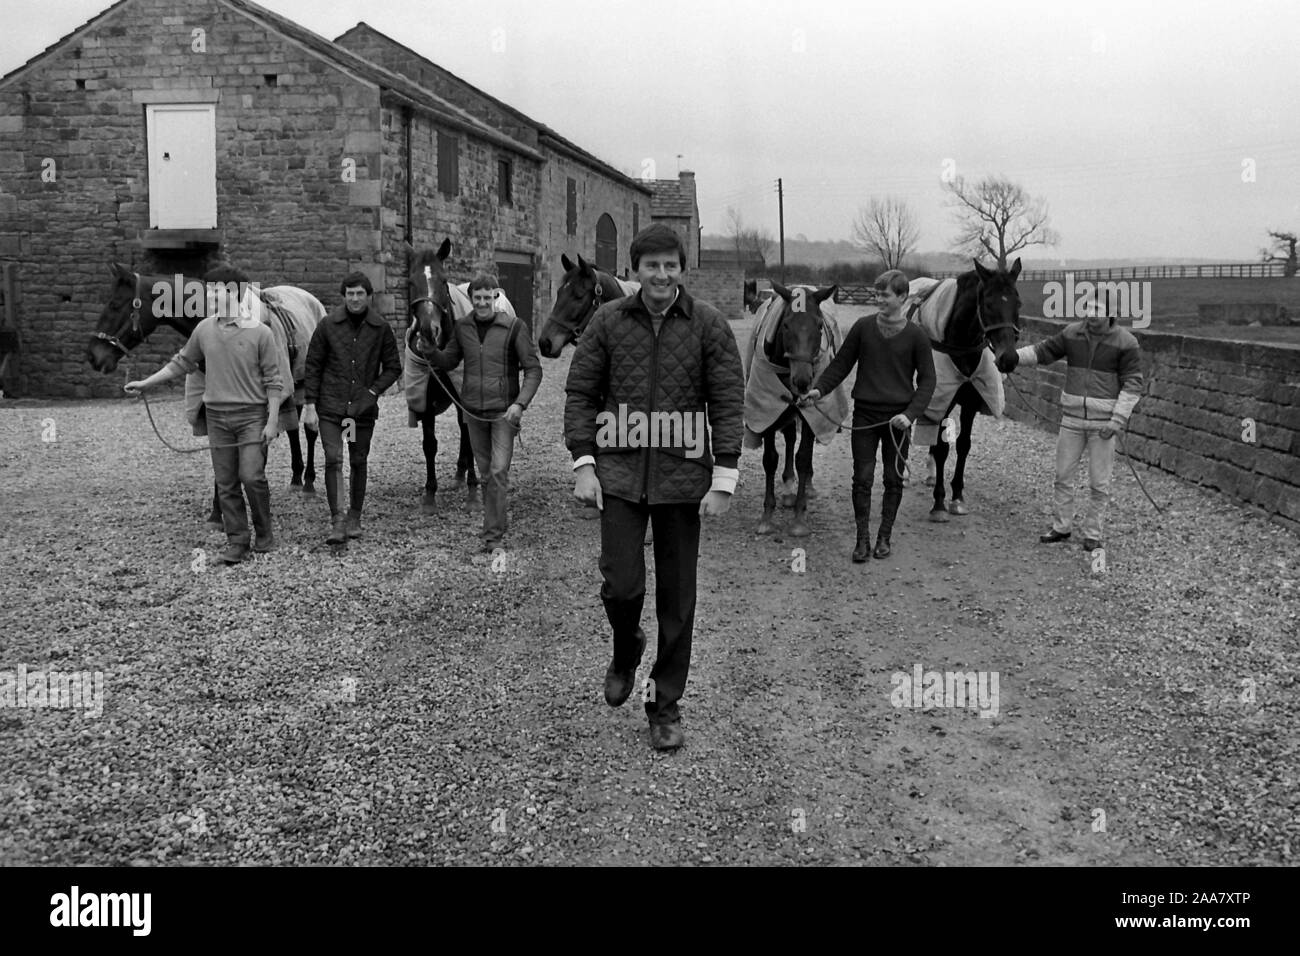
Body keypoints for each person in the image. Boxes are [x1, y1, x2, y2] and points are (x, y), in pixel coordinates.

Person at [564, 223, 745, 751]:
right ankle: (626, 648)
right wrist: (583, 463)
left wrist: (724, 476)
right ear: (635, 269)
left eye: (670, 265)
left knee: (677, 599)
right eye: (651, 265)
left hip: (683, 480)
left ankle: (664, 706)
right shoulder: (607, 321)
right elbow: (580, 392)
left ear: (681, 269)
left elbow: (727, 400)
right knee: (621, 584)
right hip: (619, 474)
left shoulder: (709, 325)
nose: (661, 274)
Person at [125, 265, 283, 564]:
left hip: (251, 416)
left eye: (214, 290)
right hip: (217, 417)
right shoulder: (204, 329)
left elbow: (274, 380)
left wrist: (272, 421)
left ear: (233, 292)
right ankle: (238, 540)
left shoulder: (261, 333)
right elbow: (181, 363)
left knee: (251, 476)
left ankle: (264, 532)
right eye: (207, 289)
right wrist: (146, 383)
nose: (207, 295)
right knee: (225, 482)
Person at [801, 269, 936, 563]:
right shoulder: (863, 328)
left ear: (902, 297)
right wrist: (817, 390)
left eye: (885, 295)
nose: (879, 300)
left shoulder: (917, 336)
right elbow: (840, 365)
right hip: (865, 415)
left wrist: (910, 415)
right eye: (877, 294)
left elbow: (928, 381)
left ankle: (884, 537)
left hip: (897, 421)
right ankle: (862, 539)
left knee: (893, 479)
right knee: (861, 479)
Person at [997, 297, 1143, 551]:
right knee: (1062, 476)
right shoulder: (1071, 334)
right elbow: (1043, 352)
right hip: (1072, 420)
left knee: (1100, 482)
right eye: (1088, 308)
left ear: (1110, 314)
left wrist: (1117, 420)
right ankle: (1061, 526)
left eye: (1097, 310)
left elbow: (1133, 384)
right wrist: (1013, 357)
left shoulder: (1126, 343)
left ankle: (1093, 533)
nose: (1091, 314)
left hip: (1103, 425)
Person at [420, 272, 542, 553]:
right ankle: (494, 525)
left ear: (495, 297)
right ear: (472, 299)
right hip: (472, 413)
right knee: (486, 474)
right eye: (478, 298)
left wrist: (519, 404)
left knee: (498, 471)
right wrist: (430, 351)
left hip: (504, 414)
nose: (483, 303)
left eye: (488, 298)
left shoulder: (514, 327)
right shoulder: (463, 328)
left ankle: (493, 536)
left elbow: (534, 370)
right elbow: (449, 360)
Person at [302, 272, 402, 545]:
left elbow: (394, 367)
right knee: (333, 459)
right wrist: (310, 405)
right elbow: (313, 365)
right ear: (343, 296)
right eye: (350, 294)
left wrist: (372, 391)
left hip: (359, 412)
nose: (355, 299)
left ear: (368, 296)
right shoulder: (327, 326)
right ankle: (337, 520)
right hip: (331, 408)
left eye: (360, 293)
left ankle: (355, 515)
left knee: (358, 460)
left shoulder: (380, 328)